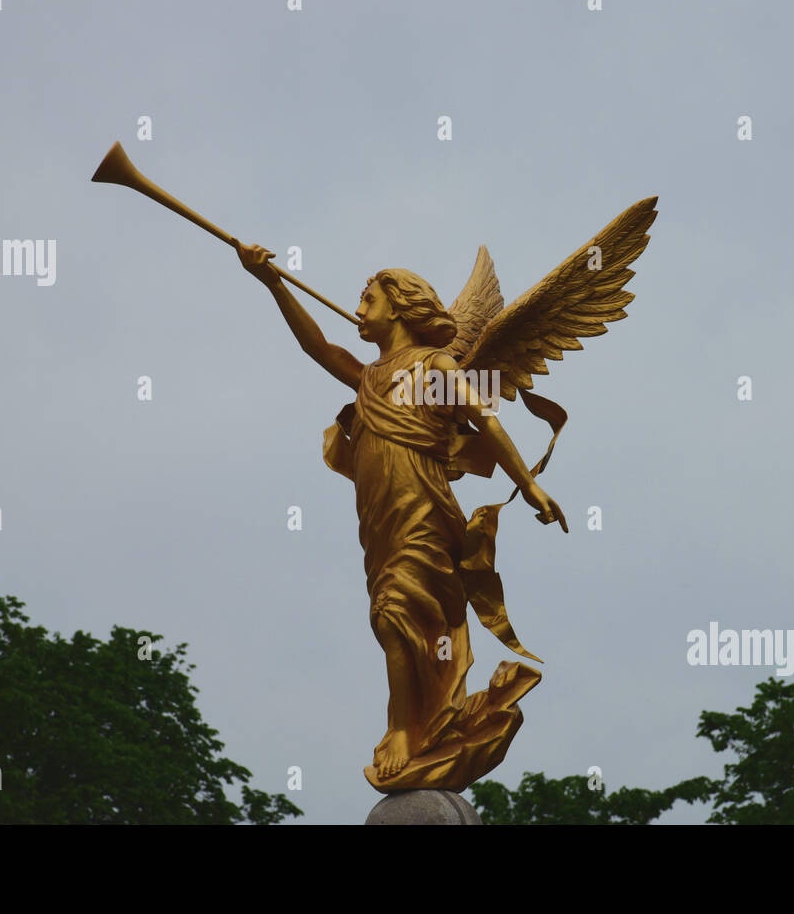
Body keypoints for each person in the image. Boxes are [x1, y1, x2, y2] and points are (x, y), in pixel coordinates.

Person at [237, 242, 566, 789]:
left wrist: (527, 483)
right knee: (390, 613)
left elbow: (484, 420)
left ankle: (400, 731)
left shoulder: (434, 365)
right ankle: (429, 719)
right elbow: (316, 345)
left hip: (422, 504)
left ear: (401, 306)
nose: (359, 307)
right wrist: (272, 283)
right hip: (379, 514)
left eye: (369, 298)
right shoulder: (367, 375)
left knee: (397, 610)